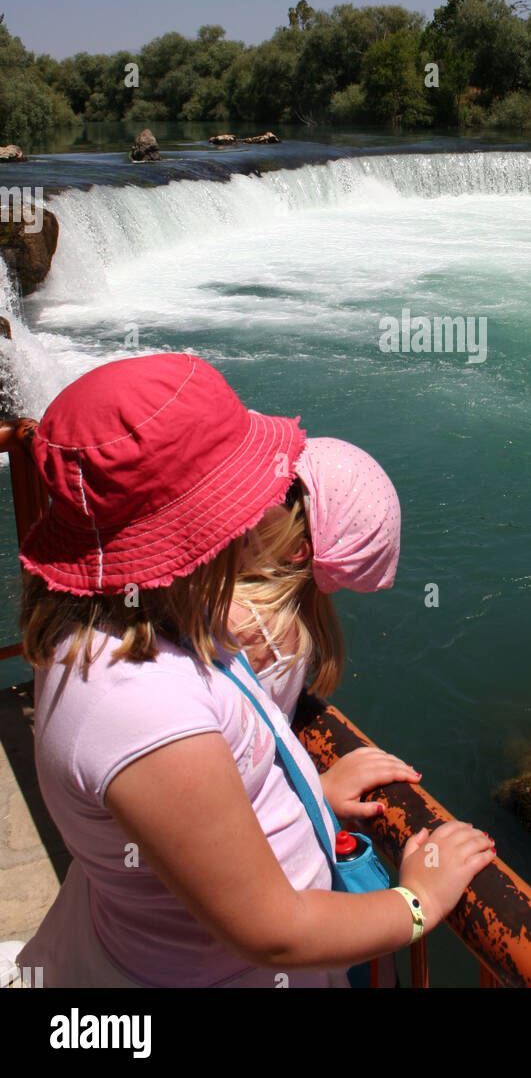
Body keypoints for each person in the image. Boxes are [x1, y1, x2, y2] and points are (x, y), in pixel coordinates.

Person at [14, 352, 496, 987]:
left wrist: (308, 797)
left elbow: (196, 807)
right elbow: (276, 931)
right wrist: (418, 902)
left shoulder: (151, 626)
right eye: (245, 483)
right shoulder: (141, 702)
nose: (268, 494)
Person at [228, 437, 412, 824]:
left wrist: (315, 789)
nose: (260, 476)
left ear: (297, 546)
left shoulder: (242, 625)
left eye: (283, 485)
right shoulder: (274, 621)